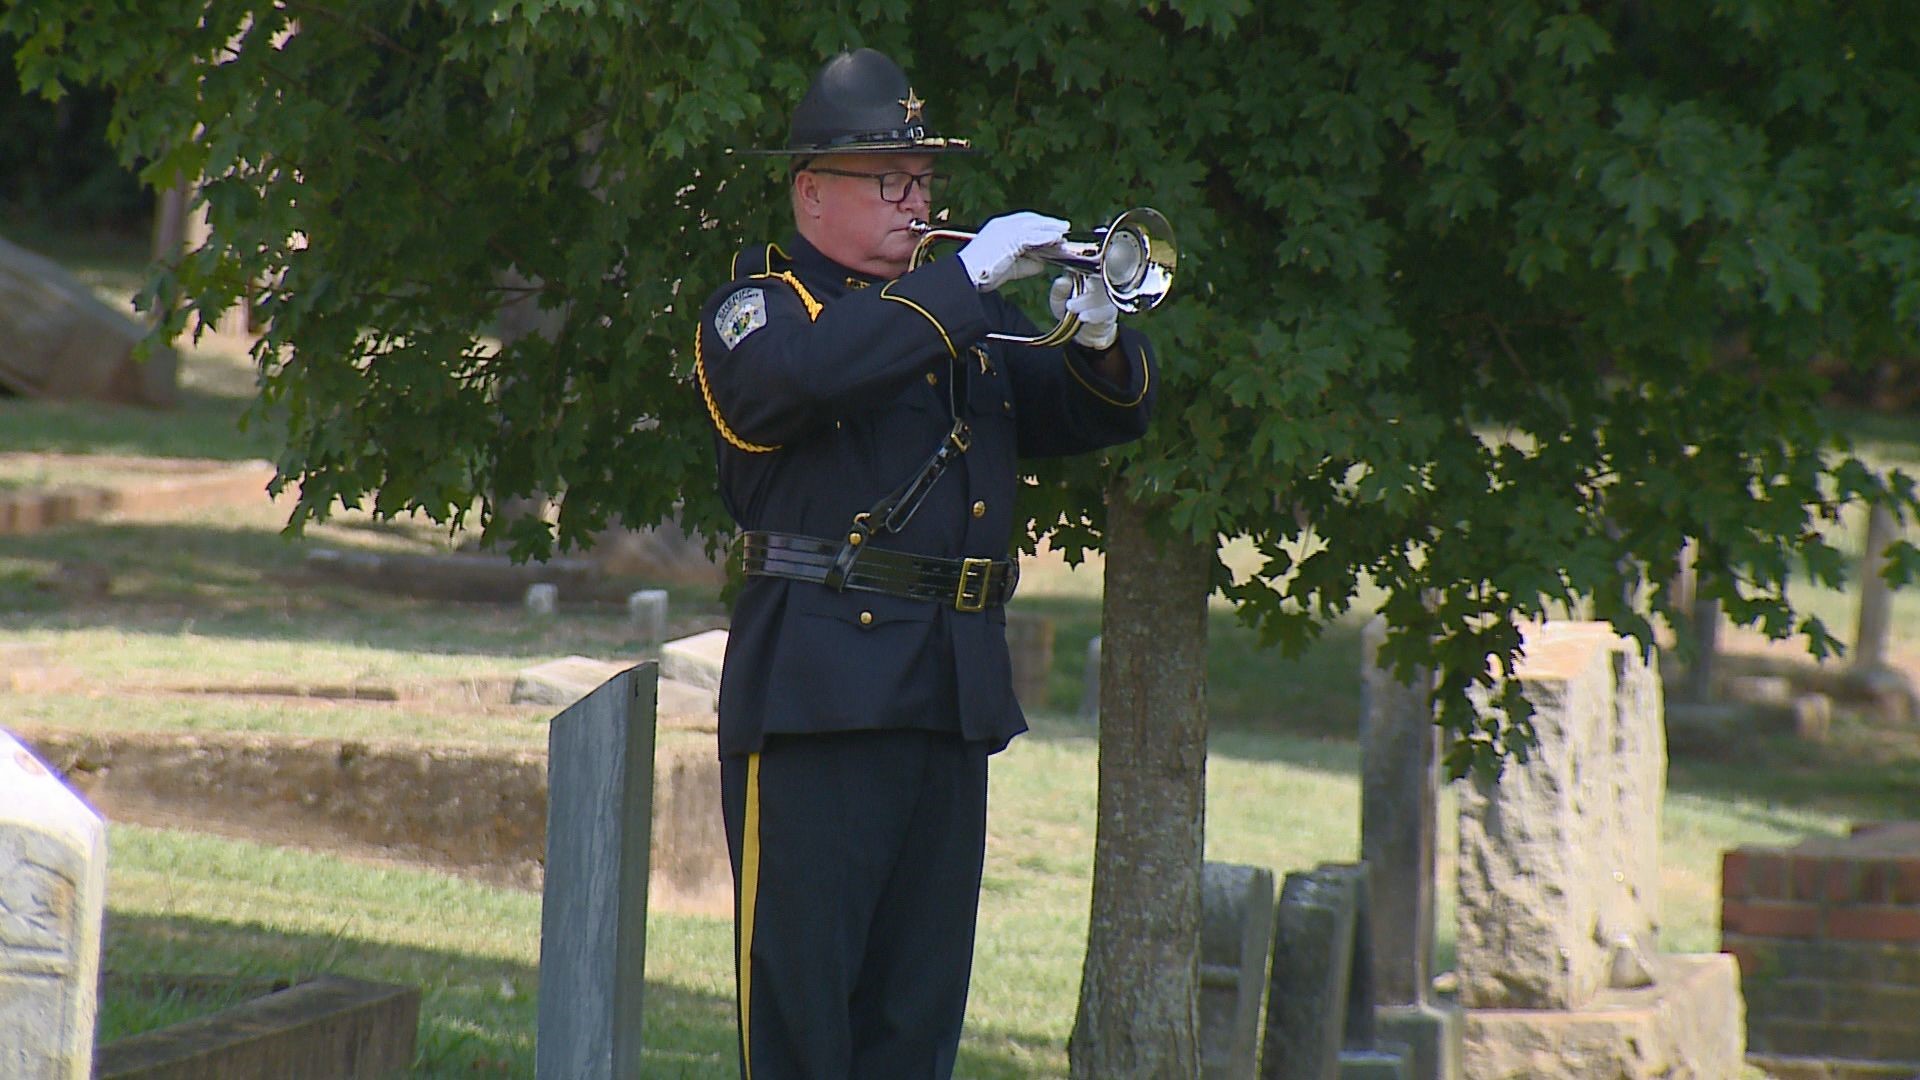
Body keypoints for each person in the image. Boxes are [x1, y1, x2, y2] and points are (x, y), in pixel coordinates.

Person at [696, 47, 1157, 1080]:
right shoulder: (763, 312)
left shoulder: (961, 315)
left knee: (916, 1023)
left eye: (923, 179)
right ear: (812, 192)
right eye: (889, 179)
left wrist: (1094, 332)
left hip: (948, 691)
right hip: (819, 694)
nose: (916, 200)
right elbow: (806, 381)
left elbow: (1096, 417)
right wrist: (968, 277)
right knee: (806, 1019)